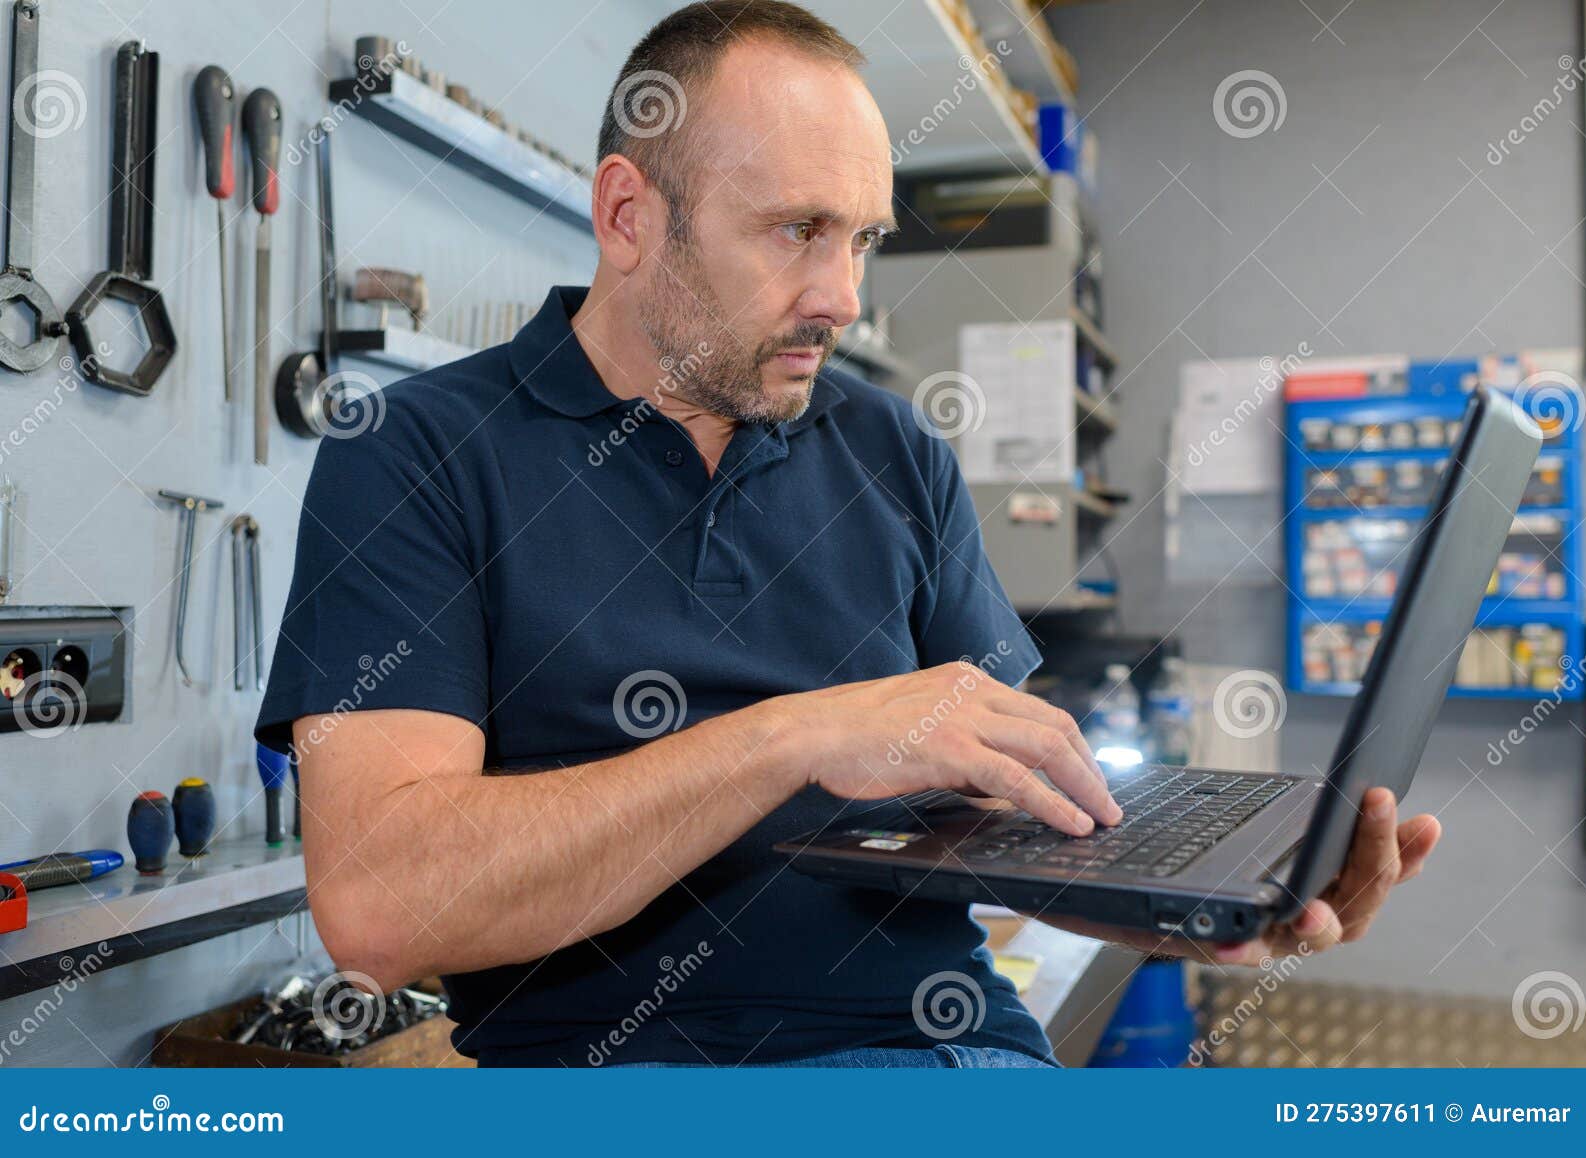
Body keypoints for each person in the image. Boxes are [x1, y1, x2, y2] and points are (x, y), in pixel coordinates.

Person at [256, 0, 1440, 1068]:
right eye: (796, 230)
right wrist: (791, 738)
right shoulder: (415, 453)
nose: (843, 296)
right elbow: (381, 903)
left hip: (963, 1053)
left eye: (863, 238)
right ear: (628, 215)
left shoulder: (893, 453)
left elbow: (1003, 821)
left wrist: (1213, 897)